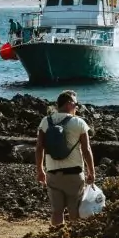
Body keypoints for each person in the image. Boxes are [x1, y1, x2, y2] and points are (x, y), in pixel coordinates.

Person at [34, 90, 96, 227]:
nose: (77, 107)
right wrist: (91, 172)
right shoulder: (79, 122)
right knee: (75, 212)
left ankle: (57, 237)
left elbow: (39, 147)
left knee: (57, 212)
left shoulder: (45, 121)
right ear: (68, 104)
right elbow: (86, 149)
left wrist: (40, 170)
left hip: (52, 173)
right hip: (74, 174)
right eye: (75, 104)